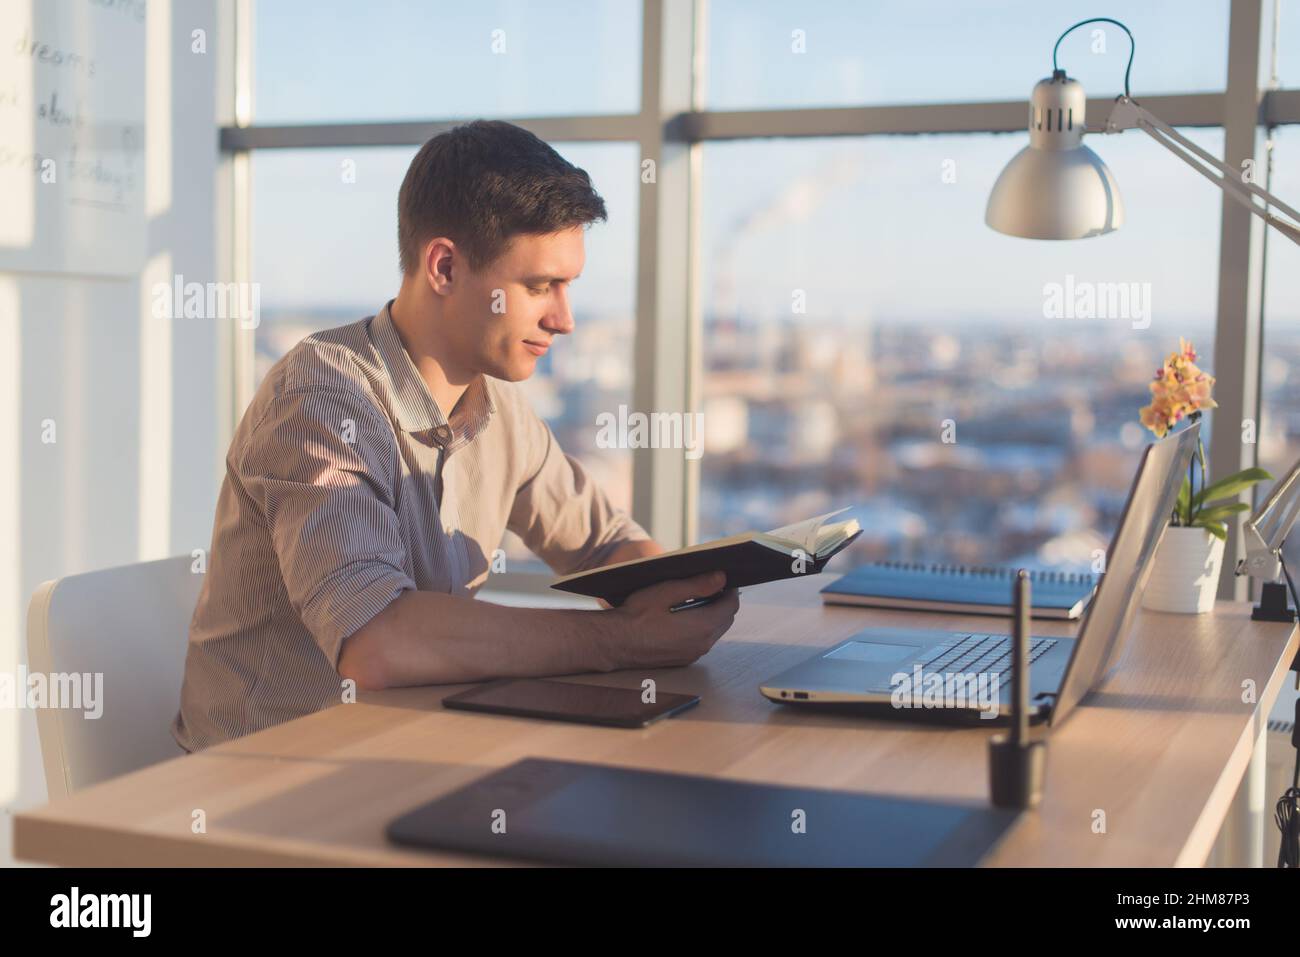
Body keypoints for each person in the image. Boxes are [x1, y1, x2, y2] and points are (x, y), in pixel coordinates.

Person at [171, 120, 739, 752]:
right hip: (265, 789)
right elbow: (378, 641)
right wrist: (622, 640)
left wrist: (690, 593)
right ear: (443, 266)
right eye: (538, 286)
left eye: (568, 285)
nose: (564, 319)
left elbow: (603, 547)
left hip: (406, 756)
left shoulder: (496, 403)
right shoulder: (321, 401)